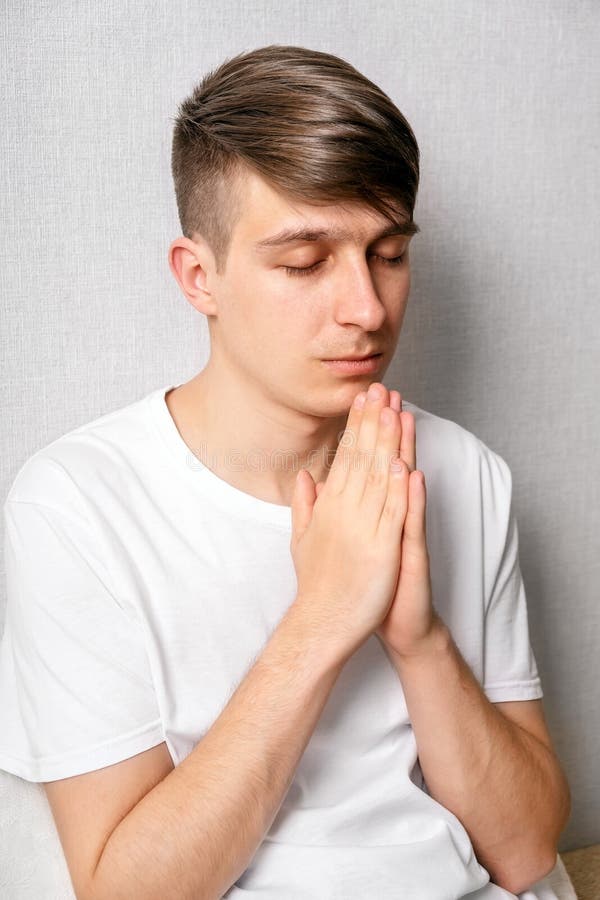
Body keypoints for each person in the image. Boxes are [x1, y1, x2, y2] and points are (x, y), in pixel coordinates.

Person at [0, 44, 570, 900]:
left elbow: (526, 853)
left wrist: (418, 640)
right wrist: (326, 616)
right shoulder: (77, 506)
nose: (367, 309)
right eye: (305, 262)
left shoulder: (466, 473)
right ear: (200, 277)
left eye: (389, 253)